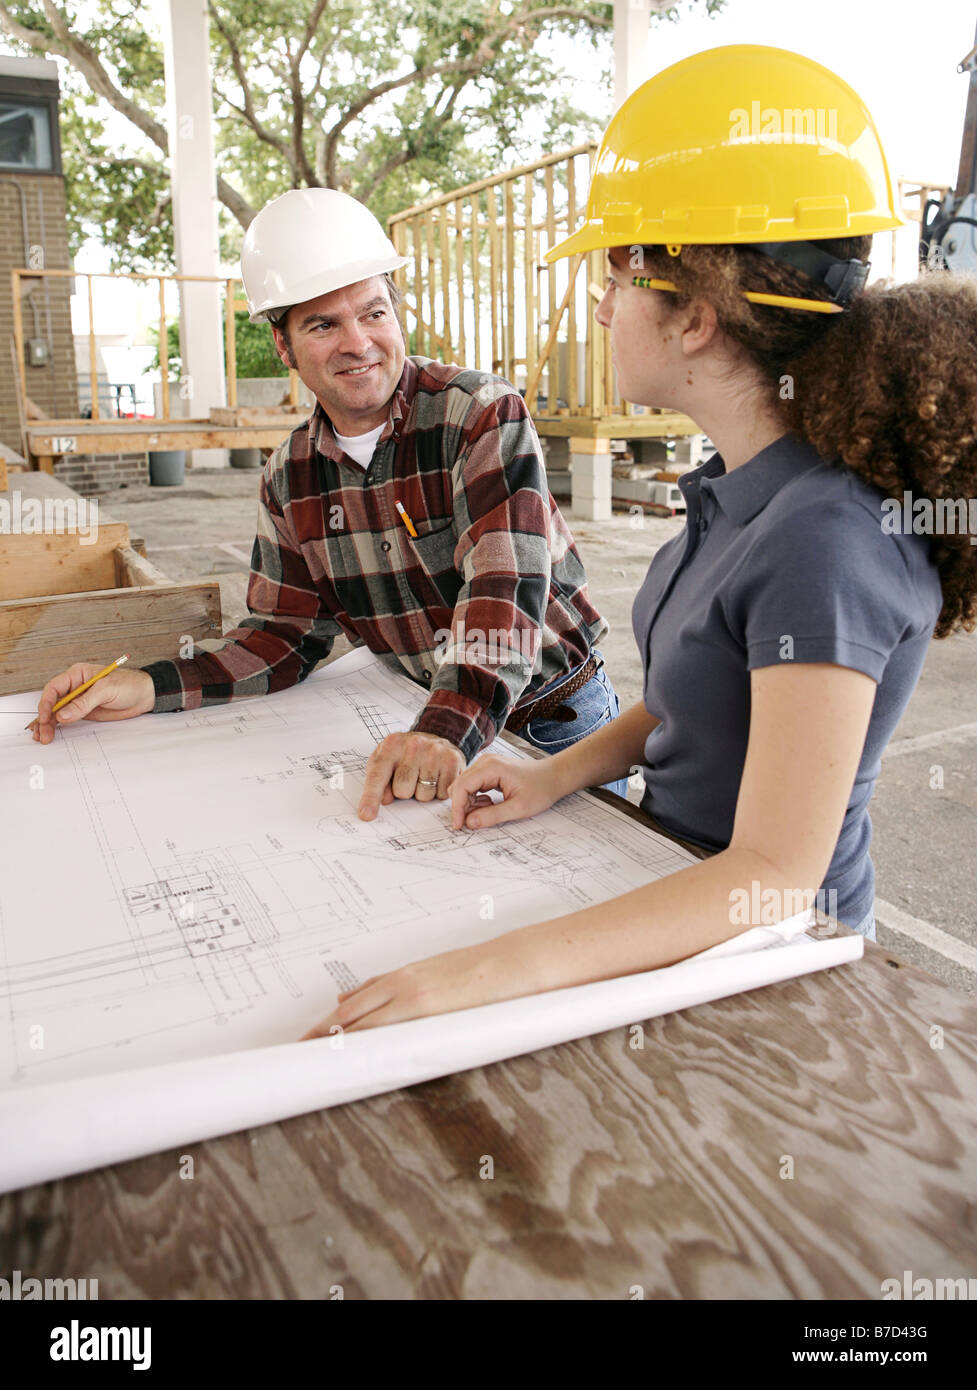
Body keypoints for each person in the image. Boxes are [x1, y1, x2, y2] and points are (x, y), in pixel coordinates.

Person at [300, 43, 976, 1038]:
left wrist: (484, 968)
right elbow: (687, 703)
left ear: (695, 316)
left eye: (616, 271)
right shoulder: (734, 493)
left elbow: (774, 876)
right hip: (669, 887)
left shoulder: (822, 543)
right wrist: (556, 772)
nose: (602, 301)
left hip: (776, 970)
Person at [29, 188, 627, 808]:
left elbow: (501, 590)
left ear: (397, 314)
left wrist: (444, 729)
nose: (357, 342)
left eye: (373, 313)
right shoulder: (290, 477)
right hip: (434, 728)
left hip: (555, 725)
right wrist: (148, 686)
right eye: (323, 324)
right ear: (284, 346)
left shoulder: (478, 416)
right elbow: (282, 636)